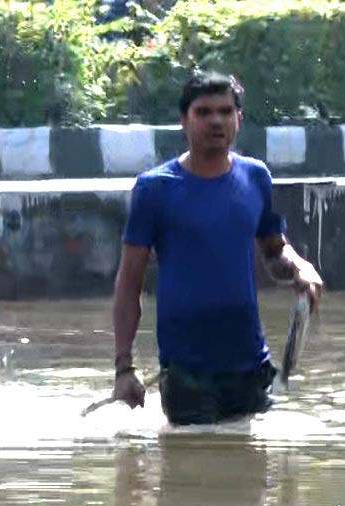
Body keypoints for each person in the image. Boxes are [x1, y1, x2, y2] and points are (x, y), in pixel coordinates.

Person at [111, 71, 324, 426]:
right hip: (186, 374)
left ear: (238, 119)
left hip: (251, 368)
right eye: (204, 112)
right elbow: (128, 283)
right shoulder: (155, 189)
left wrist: (300, 267)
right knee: (192, 473)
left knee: (256, 475)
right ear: (184, 121)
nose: (216, 121)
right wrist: (123, 367)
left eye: (226, 112)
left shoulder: (256, 177)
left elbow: (274, 253)